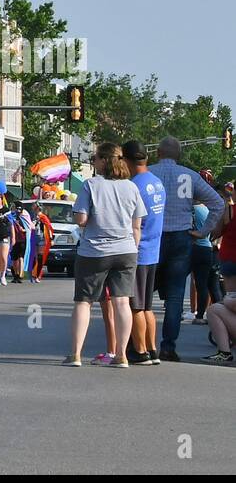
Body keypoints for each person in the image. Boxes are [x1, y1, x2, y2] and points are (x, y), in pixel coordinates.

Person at [65, 143, 146, 368]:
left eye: (95, 158)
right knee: (122, 303)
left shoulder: (91, 185)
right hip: (126, 250)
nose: (94, 162)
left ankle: (76, 354)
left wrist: (94, 218)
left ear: (103, 160)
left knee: (84, 302)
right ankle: (121, 355)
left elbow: (81, 219)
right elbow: (137, 225)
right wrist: (133, 249)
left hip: (94, 251)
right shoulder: (131, 187)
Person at [149, 136, 226, 362]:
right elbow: (218, 203)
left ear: (158, 153)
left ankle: (140, 342)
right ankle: (168, 346)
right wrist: (204, 232)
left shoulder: (147, 174)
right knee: (174, 296)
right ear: (179, 155)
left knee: (142, 292)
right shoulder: (190, 176)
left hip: (153, 238)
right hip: (182, 238)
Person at [123, 140, 164, 366]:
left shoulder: (134, 185)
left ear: (127, 160)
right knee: (147, 305)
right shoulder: (157, 183)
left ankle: (140, 351)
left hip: (139, 250)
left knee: (135, 305)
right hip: (154, 250)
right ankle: (152, 348)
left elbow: (132, 221)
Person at [28, 202, 54, 283]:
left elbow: (49, 228)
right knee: (33, 257)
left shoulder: (43, 217)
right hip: (32, 238)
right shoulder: (31, 216)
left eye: (35, 207)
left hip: (41, 238)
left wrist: (51, 238)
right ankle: (32, 274)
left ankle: (38, 275)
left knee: (40, 256)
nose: (34, 208)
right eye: (33, 207)